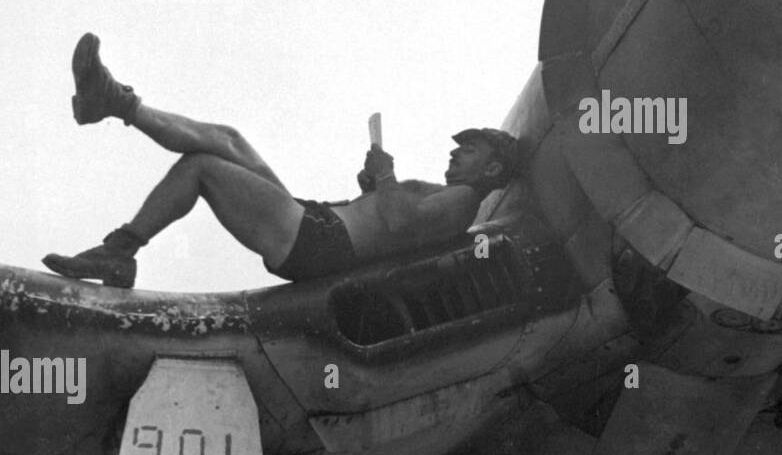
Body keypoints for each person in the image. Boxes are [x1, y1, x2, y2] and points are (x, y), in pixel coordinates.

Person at [42, 34, 519, 289]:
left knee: (200, 167)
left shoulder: (462, 203)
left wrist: (386, 177)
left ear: (493, 170)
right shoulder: (447, 195)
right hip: (316, 223)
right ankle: (115, 102)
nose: (456, 151)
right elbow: (396, 219)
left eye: (470, 149)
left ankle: (119, 252)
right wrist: (373, 188)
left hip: (320, 243)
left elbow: (397, 224)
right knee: (229, 140)